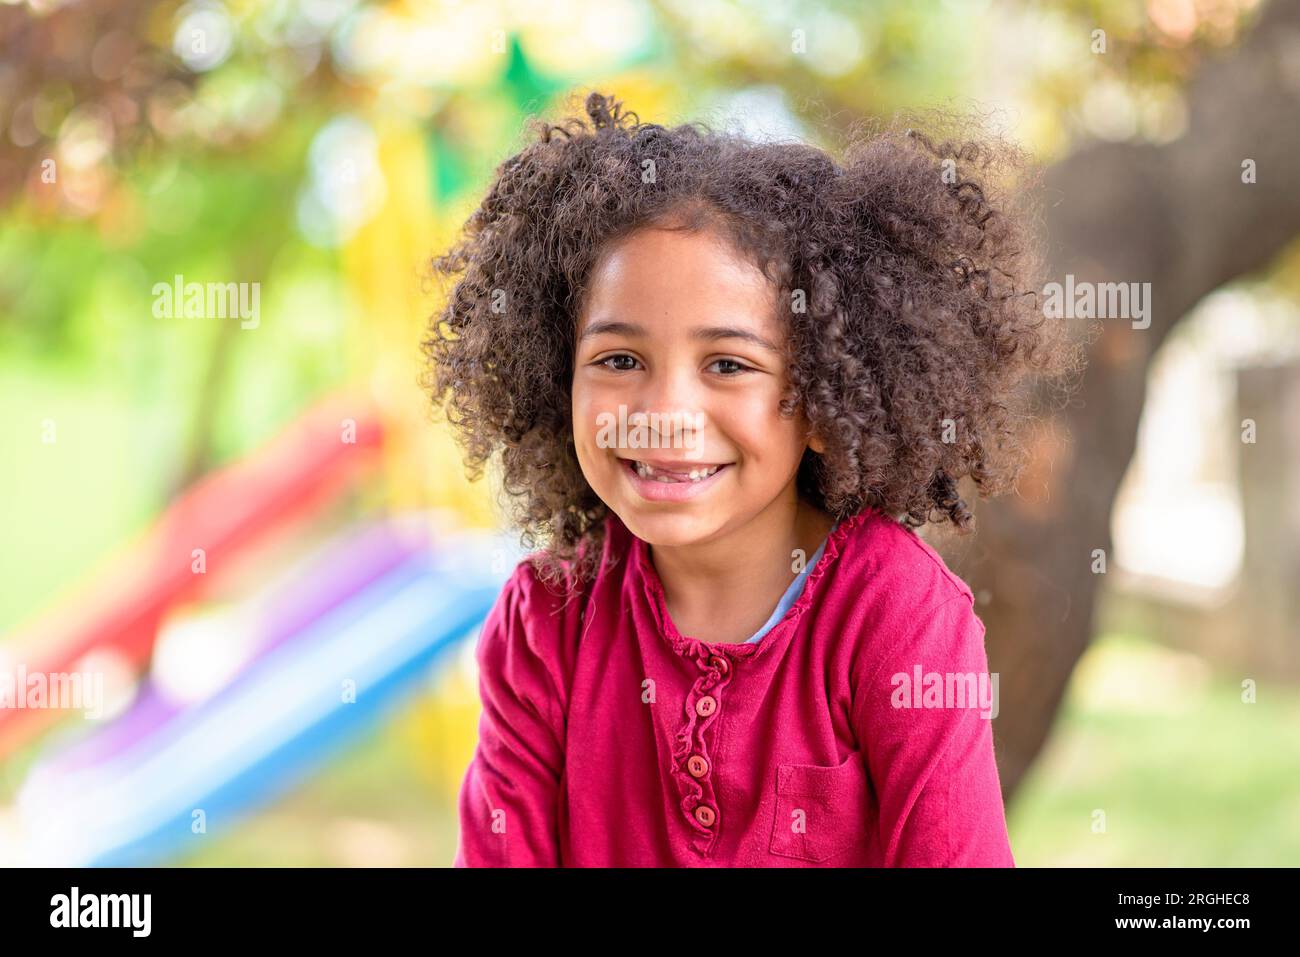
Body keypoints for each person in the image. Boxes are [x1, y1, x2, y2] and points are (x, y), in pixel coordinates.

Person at [423, 91, 1079, 866]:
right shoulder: (545, 622)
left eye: (729, 364)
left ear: (824, 398)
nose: (665, 413)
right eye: (620, 359)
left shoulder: (898, 615)